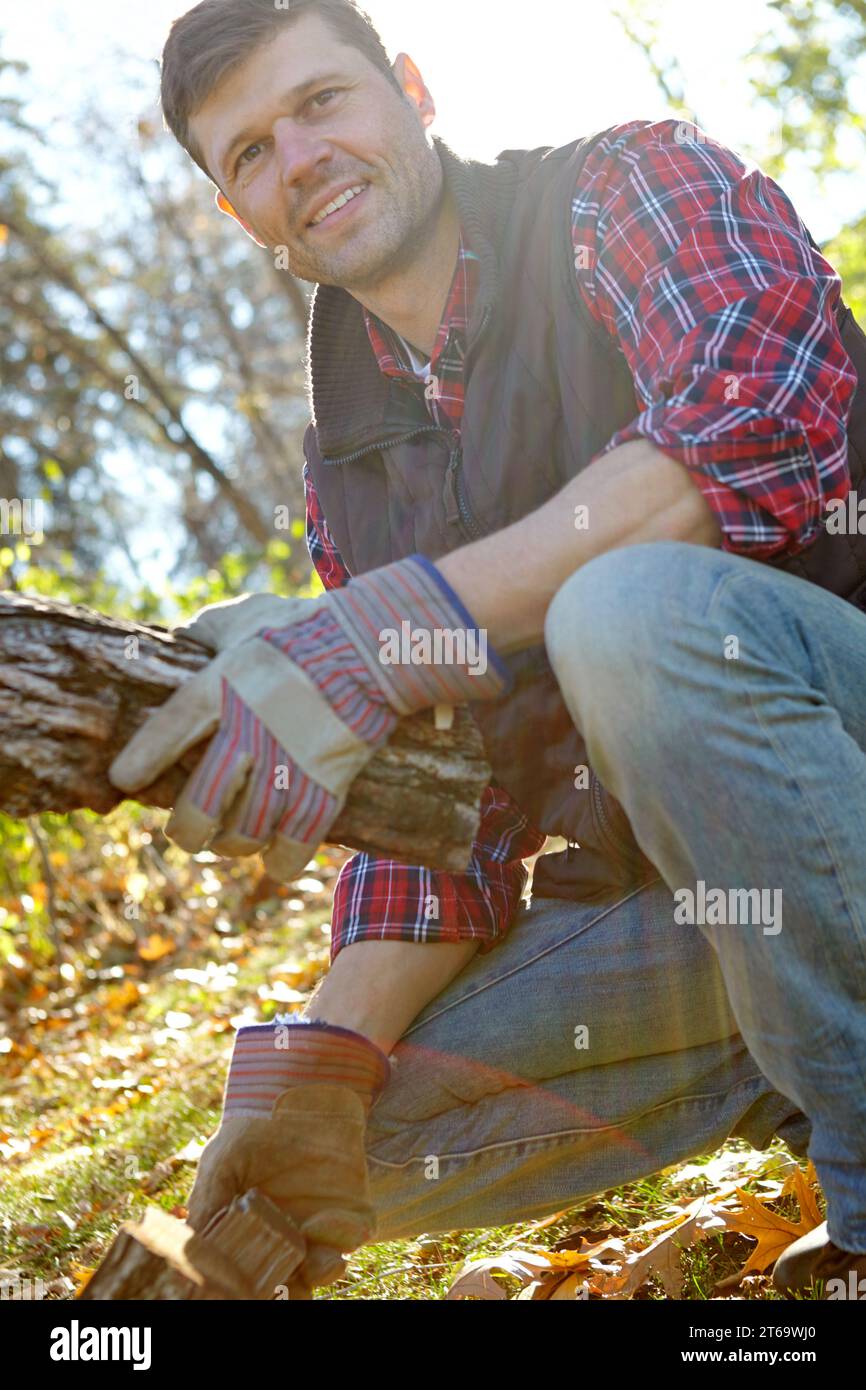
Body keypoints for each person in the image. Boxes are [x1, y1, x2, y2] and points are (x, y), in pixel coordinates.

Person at [109, 0, 866, 1299]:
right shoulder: (345, 477)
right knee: (343, 1134)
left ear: (409, 88)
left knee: (624, 614)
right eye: (247, 154)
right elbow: (448, 825)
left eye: (320, 102)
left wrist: (397, 630)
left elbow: (756, 418)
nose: (297, 158)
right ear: (241, 215)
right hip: (703, 904)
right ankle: (818, 1066)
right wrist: (322, 1059)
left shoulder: (621, 186)